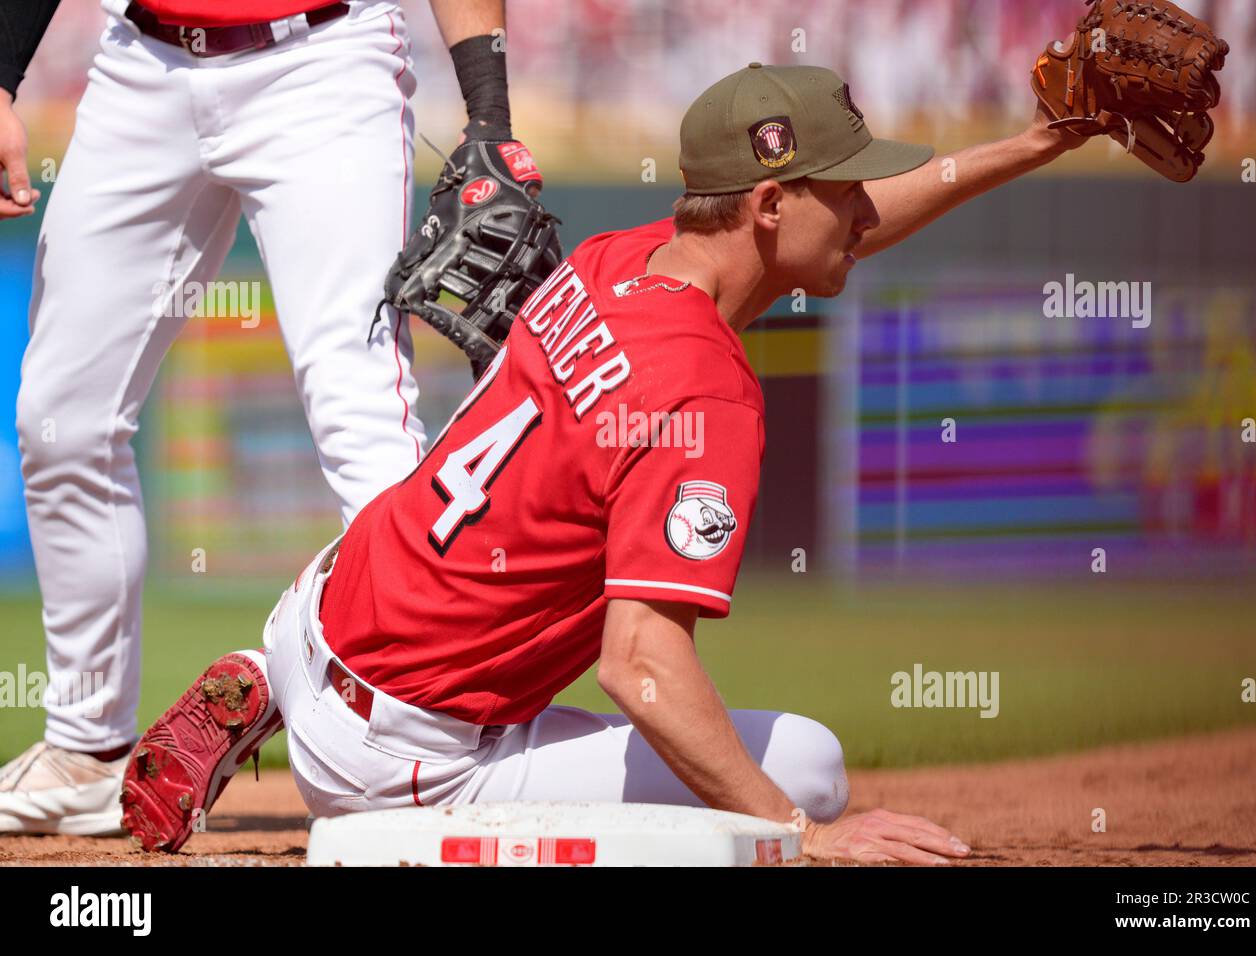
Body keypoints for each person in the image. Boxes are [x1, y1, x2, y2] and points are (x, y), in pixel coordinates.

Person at [121, 62, 1085, 864]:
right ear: (768, 203)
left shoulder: (614, 259)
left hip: (328, 603)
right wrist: (801, 836)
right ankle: (396, 812)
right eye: (845, 192)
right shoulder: (706, 396)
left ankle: (268, 673)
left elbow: (826, 232)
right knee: (809, 770)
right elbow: (639, 668)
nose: (863, 212)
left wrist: (1040, 140)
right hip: (404, 762)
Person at [0, 0, 542, 837]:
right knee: (57, 417)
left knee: (357, 407)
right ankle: (85, 750)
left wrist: (489, 106)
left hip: (321, 60)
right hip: (141, 61)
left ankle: (418, 735)